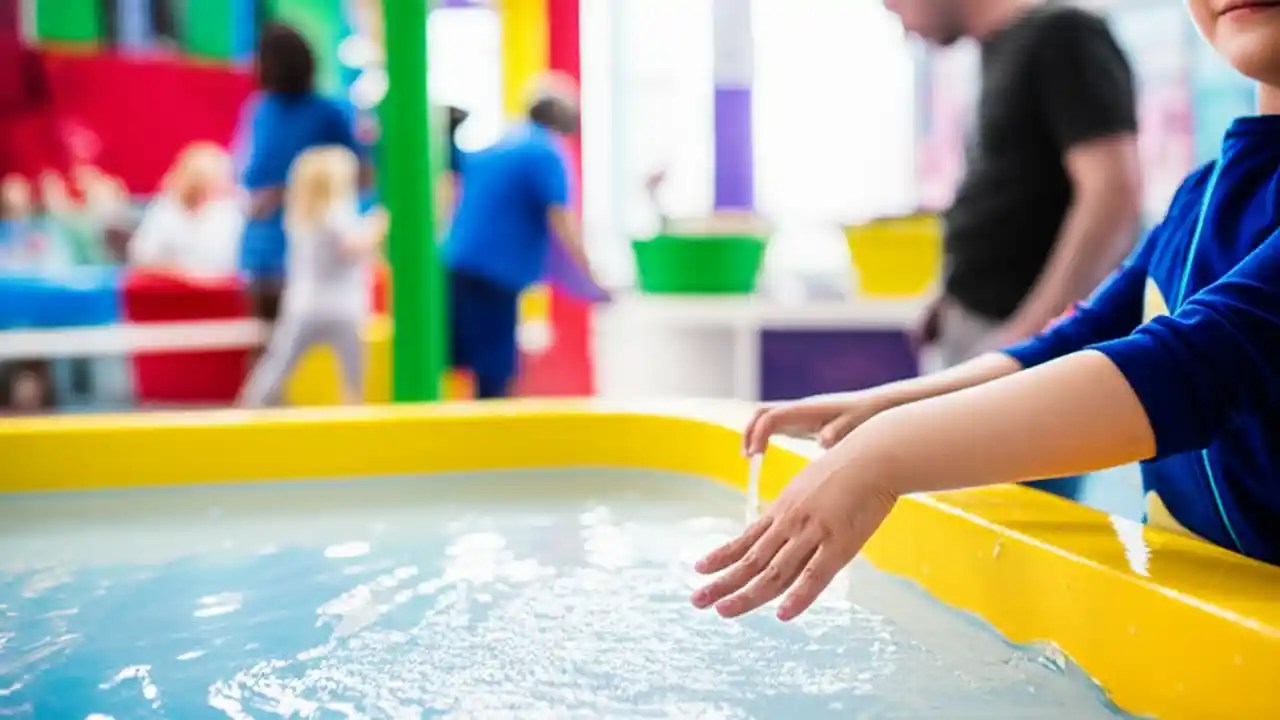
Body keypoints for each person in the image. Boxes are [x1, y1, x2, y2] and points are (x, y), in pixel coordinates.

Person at [690, 0, 1280, 622]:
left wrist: (882, 454)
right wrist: (893, 403)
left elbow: (1195, 366)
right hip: (1201, 635)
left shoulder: (1063, 42)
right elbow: (1079, 337)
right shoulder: (1203, 192)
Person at [443, 73, 600, 399]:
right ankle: (492, 442)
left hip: (459, 261)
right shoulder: (545, 152)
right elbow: (563, 220)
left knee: (464, 361)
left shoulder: (505, 142)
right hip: (495, 272)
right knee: (495, 370)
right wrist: (592, 274)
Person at [238, 22, 365, 325]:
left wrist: (289, 192)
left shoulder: (328, 113)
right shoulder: (262, 110)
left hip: (313, 248)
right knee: (273, 342)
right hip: (263, 249)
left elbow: (358, 173)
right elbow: (250, 174)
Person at [239, 146, 384, 407]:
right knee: (353, 373)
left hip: (304, 303)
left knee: (280, 363)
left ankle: (254, 403)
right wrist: (380, 222)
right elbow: (353, 246)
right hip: (341, 306)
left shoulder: (301, 215)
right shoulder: (335, 213)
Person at [128, 142, 243, 277]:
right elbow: (142, 257)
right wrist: (180, 274)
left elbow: (236, 263)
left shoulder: (232, 213)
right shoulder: (165, 209)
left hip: (219, 292)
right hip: (170, 291)